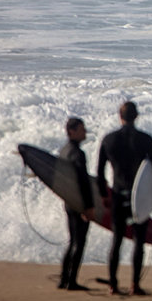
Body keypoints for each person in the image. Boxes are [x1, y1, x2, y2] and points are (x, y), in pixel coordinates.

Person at [96, 100, 152, 296]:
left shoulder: (109, 139)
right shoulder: (144, 139)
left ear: (120, 117)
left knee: (117, 240)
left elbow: (100, 171)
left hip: (118, 194)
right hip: (139, 196)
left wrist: (104, 195)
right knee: (139, 240)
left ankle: (113, 285)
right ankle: (135, 285)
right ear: (136, 117)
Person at [56, 116, 95, 291]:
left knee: (72, 242)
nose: (85, 131)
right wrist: (88, 207)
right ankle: (71, 281)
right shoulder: (78, 154)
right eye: (81, 129)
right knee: (79, 242)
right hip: (79, 203)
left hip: (69, 201)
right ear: (72, 132)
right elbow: (82, 182)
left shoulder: (64, 150)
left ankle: (63, 279)